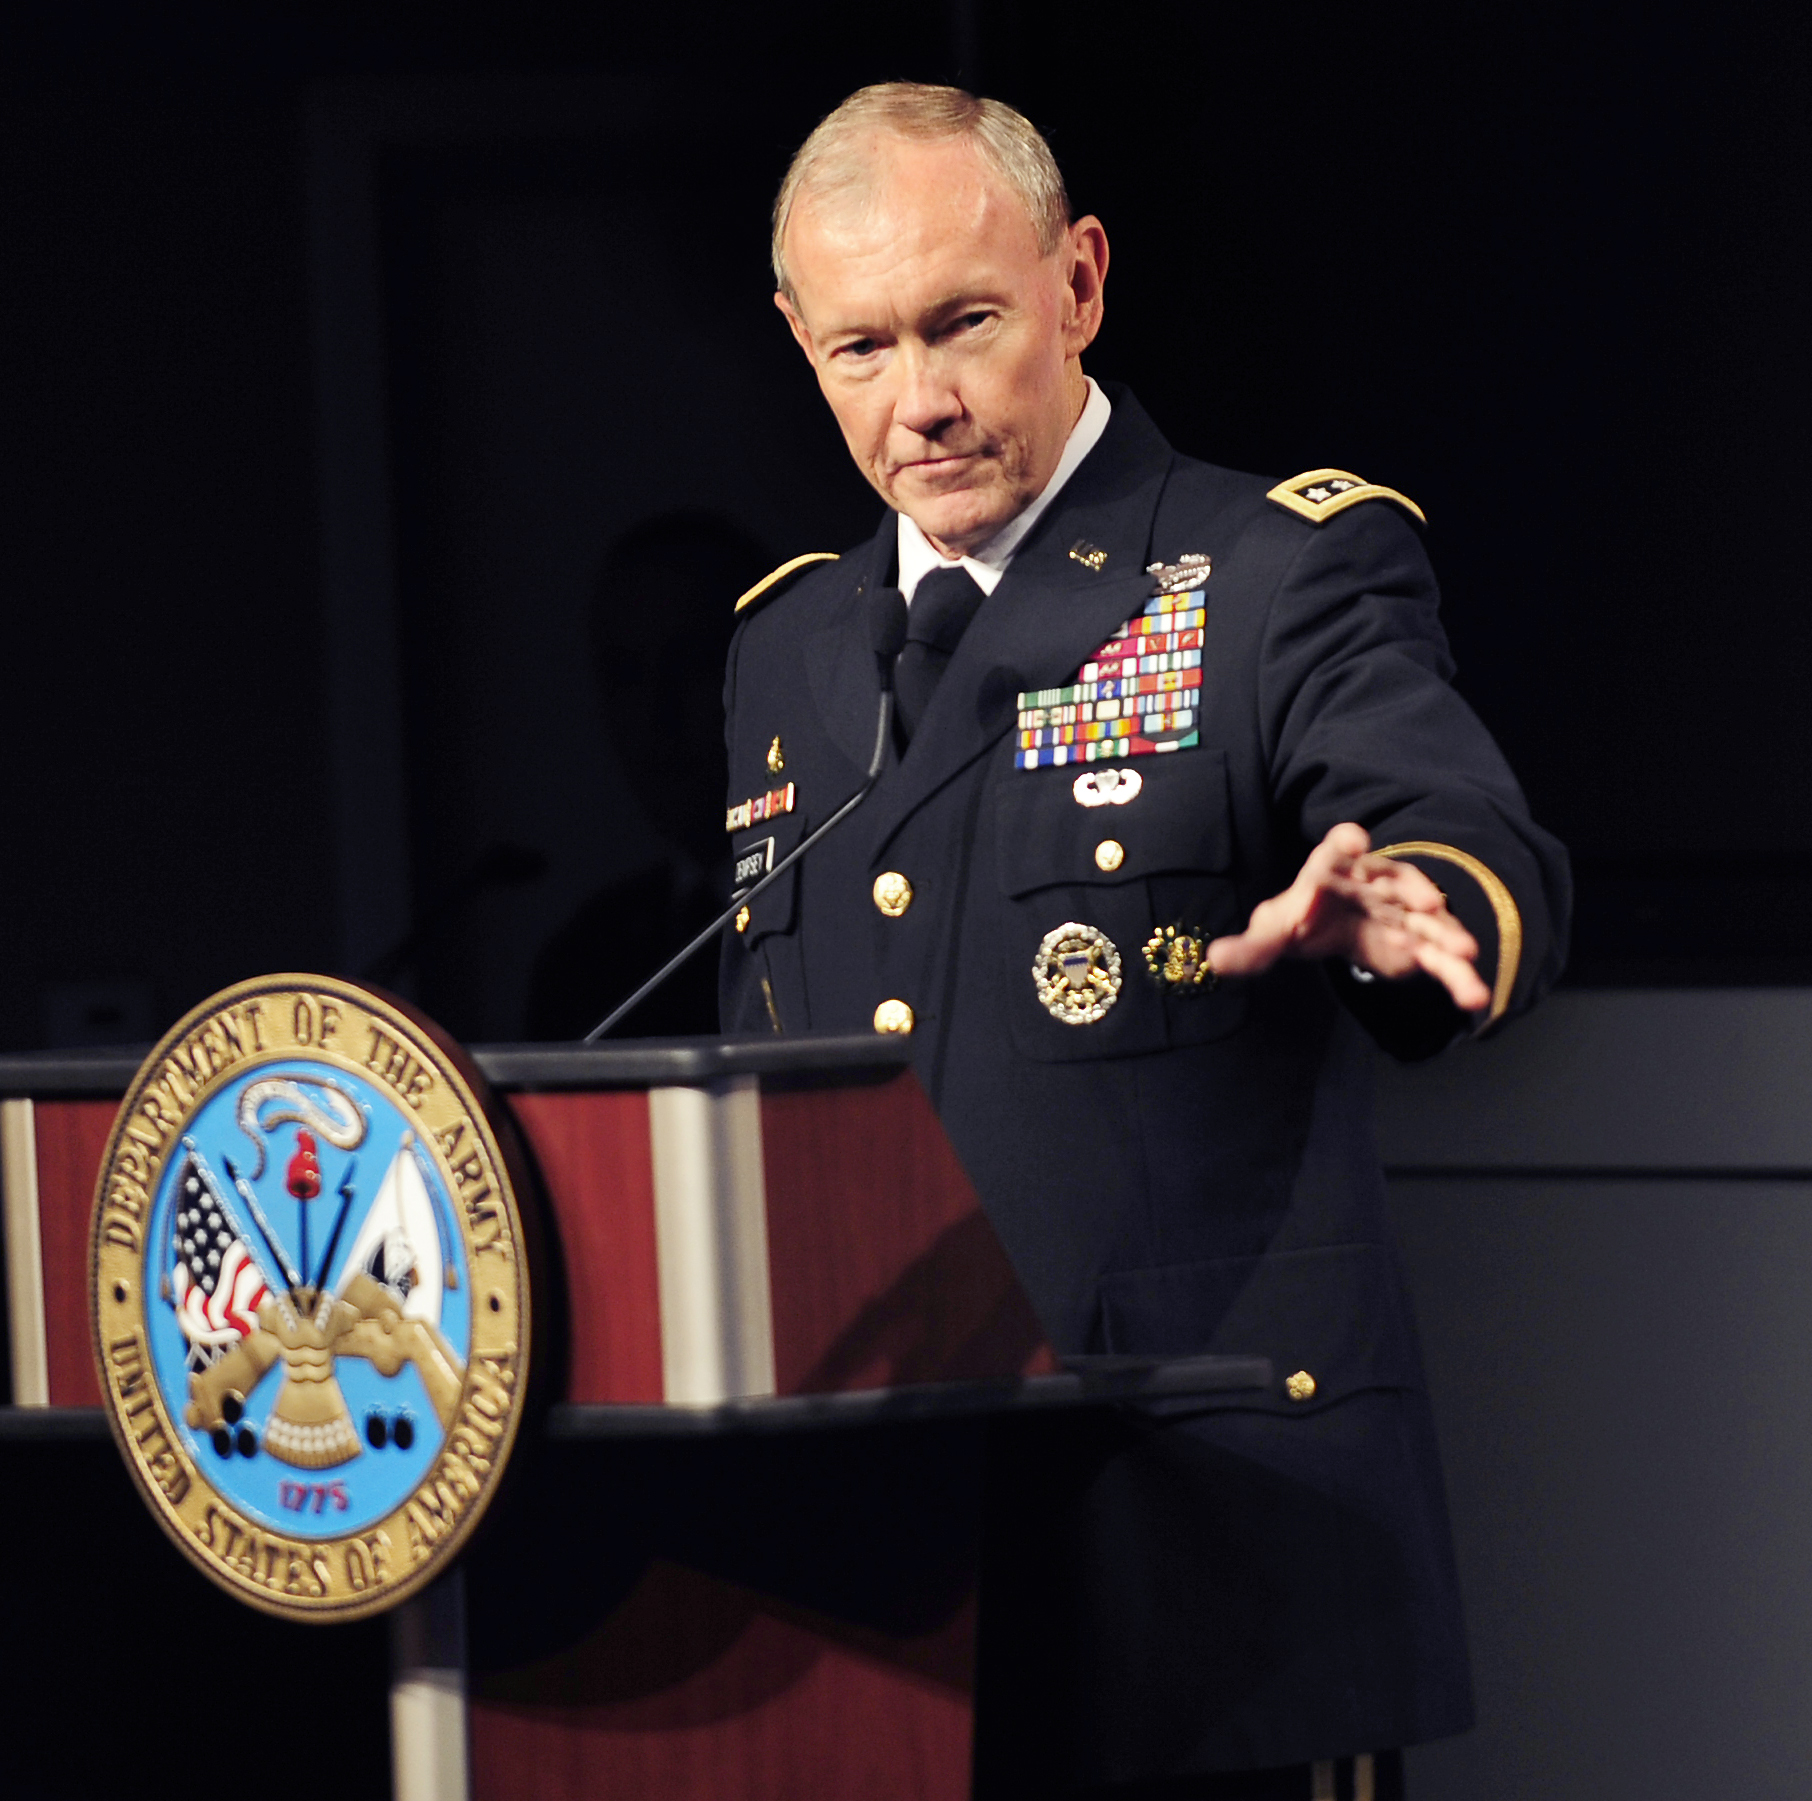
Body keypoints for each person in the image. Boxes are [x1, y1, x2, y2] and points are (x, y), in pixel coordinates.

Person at [721, 82, 1571, 1797]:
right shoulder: (787, 649)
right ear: (800, 343)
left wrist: (1416, 907)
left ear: (1078, 284)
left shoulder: (1267, 574)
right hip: (889, 1592)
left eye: (965, 322)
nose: (926, 402)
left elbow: (1463, 830)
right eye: (863, 350)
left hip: (1213, 1574)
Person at [525, 510, 773, 1040]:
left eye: (692, 663)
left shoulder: (839, 908)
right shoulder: (584, 960)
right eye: (626, 674)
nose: (656, 713)